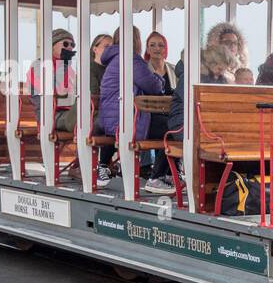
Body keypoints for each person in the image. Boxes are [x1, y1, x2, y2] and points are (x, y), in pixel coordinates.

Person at [94, 26, 164, 185]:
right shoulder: (130, 59)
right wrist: (158, 78)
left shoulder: (114, 59)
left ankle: (103, 165)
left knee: (159, 123)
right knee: (171, 129)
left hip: (110, 120)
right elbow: (154, 87)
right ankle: (158, 177)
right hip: (125, 121)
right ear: (137, 41)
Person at [141, 31, 178, 195]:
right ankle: (156, 176)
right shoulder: (143, 69)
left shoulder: (173, 69)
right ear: (147, 49)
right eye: (152, 45)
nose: (157, 48)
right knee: (172, 132)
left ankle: (171, 174)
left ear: (166, 49)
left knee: (179, 128)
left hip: (169, 116)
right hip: (149, 118)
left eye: (161, 45)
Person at [26, 28, 77, 132]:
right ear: (52, 46)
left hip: (68, 112)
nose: (70, 48)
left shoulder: (68, 68)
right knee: (83, 120)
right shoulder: (38, 66)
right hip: (49, 115)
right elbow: (52, 93)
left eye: (72, 45)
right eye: (66, 44)